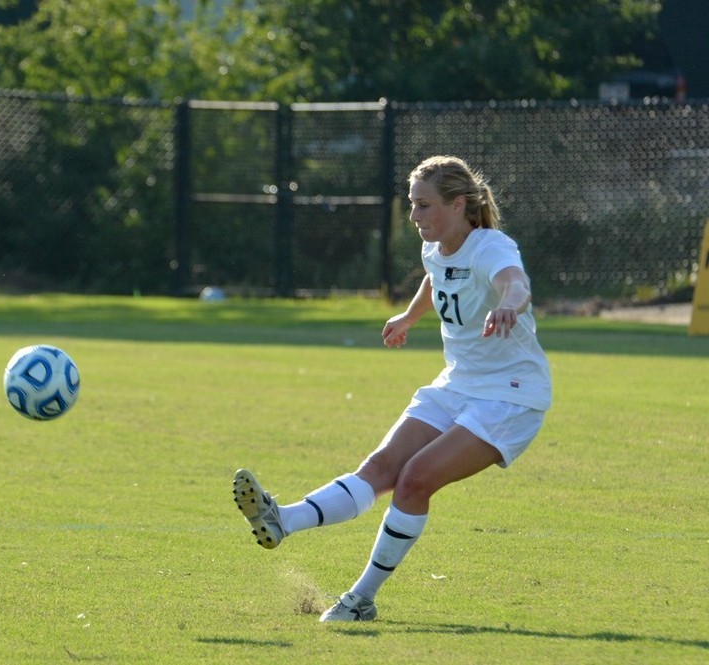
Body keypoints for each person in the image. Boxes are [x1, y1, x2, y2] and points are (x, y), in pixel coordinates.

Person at [233, 155, 552, 622]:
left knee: (415, 479)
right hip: (457, 383)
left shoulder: (491, 246)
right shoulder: (435, 247)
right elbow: (436, 279)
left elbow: (515, 282)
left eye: (424, 206)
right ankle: (283, 519)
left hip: (510, 394)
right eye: (411, 204)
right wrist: (409, 316)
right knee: (380, 467)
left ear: (459, 204)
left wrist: (508, 305)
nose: (414, 216)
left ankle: (360, 599)